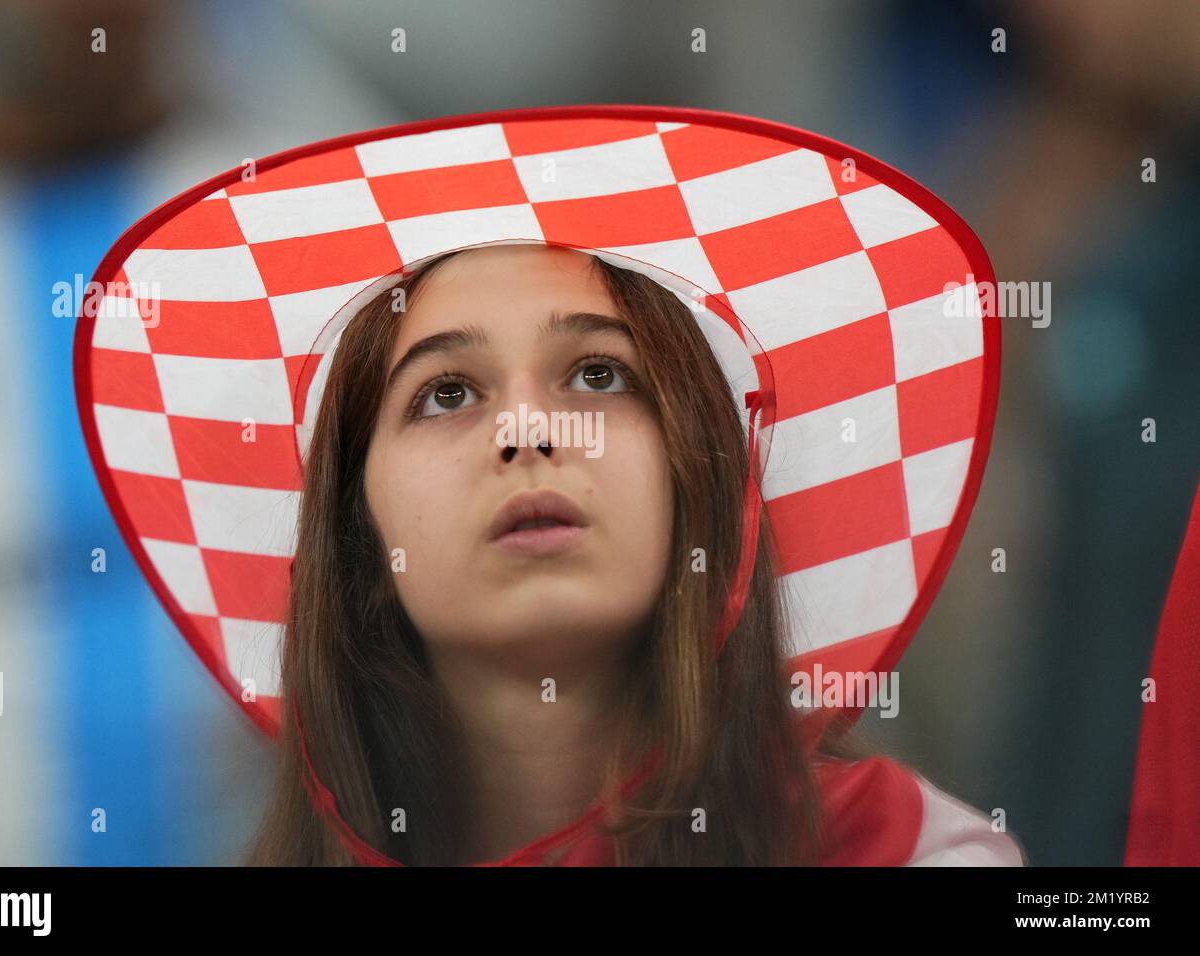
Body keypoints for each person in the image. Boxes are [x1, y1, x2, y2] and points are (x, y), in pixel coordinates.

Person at [241, 242, 1024, 866]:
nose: (529, 434)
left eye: (598, 374)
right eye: (448, 393)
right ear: (358, 542)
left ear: (701, 486)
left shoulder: (909, 852)